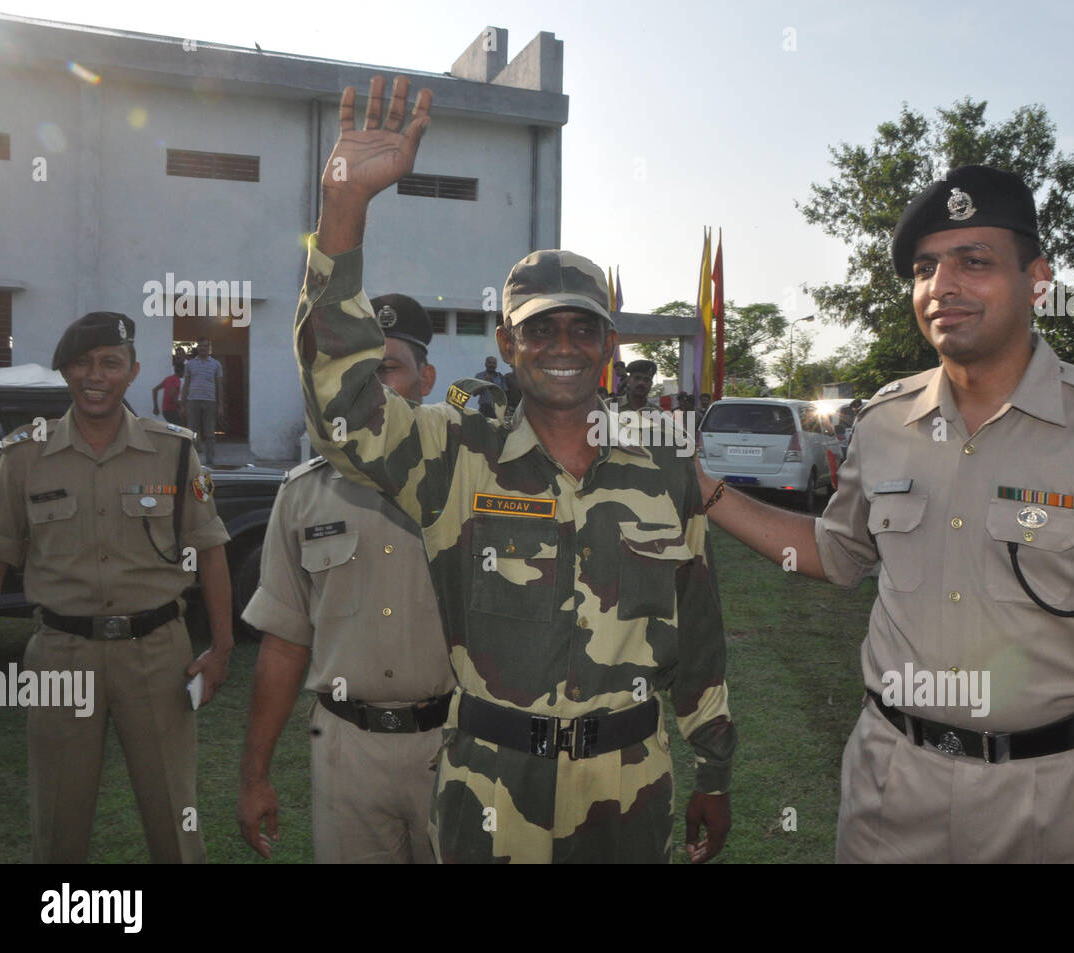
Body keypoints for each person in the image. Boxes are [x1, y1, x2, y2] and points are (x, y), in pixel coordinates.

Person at [698, 165, 1074, 864]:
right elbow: (836, 552)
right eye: (925, 268)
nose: (943, 285)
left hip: (1051, 803)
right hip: (890, 787)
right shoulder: (885, 422)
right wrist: (704, 491)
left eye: (974, 261)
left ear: (1037, 279)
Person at [293, 75, 734, 864]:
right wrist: (345, 207)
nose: (561, 345)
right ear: (506, 343)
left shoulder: (665, 468)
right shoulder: (453, 454)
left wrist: (716, 767)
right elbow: (343, 405)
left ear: (608, 346)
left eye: (581, 328)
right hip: (489, 790)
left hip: (629, 790)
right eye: (539, 330)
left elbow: (698, 634)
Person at [0, 312, 233, 863]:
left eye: (109, 362)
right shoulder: (25, 456)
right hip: (59, 655)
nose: (93, 375)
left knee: (174, 811)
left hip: (156, 654)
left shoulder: (172, 451)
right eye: (80, 363)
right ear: (65, 373)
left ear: (132, 372)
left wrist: (221, 649)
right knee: (57, 817)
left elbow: (210, 549)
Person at [238, 293, 454, 864]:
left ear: (425, 378)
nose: (371, 388)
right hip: (345, 752)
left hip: (457, 747)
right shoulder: (302, 494)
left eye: (387, 369)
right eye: (354, 372)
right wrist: (255, 774)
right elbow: (284, 644)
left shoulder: (472, 485)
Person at [181, 337, 225, 465]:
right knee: (191, 432)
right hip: (193, 401)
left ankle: (210, 461)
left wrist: (220, 405)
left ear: (209, 348)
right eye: (200, 346)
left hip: (210, 402)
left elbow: (219, 386)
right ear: (197, 347)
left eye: (205, 346)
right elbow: (186, 384)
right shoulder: (190, 364)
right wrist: (183, 404)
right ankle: (192, 462)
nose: (203, 348)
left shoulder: (216, 364)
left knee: (210, 433)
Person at [151, 354, 184, 427]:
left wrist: (156, 407)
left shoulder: (168, 379)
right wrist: (180, 405)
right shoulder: (177, 380)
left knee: (174, 428)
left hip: (165, 410)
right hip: (171, 410)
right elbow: (171, 395)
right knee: (180, 429)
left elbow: (154, 390)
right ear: (182, 371)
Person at [474, 355, 506, 419]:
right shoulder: (479, 376)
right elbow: (474, 393)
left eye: (494, 363)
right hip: (484, 408)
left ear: (496, 365)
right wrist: (483, 383)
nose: (492, 365)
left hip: (498, 408)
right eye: (490, 362)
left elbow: (505, 393)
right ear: (485, 364)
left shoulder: (500, 377)